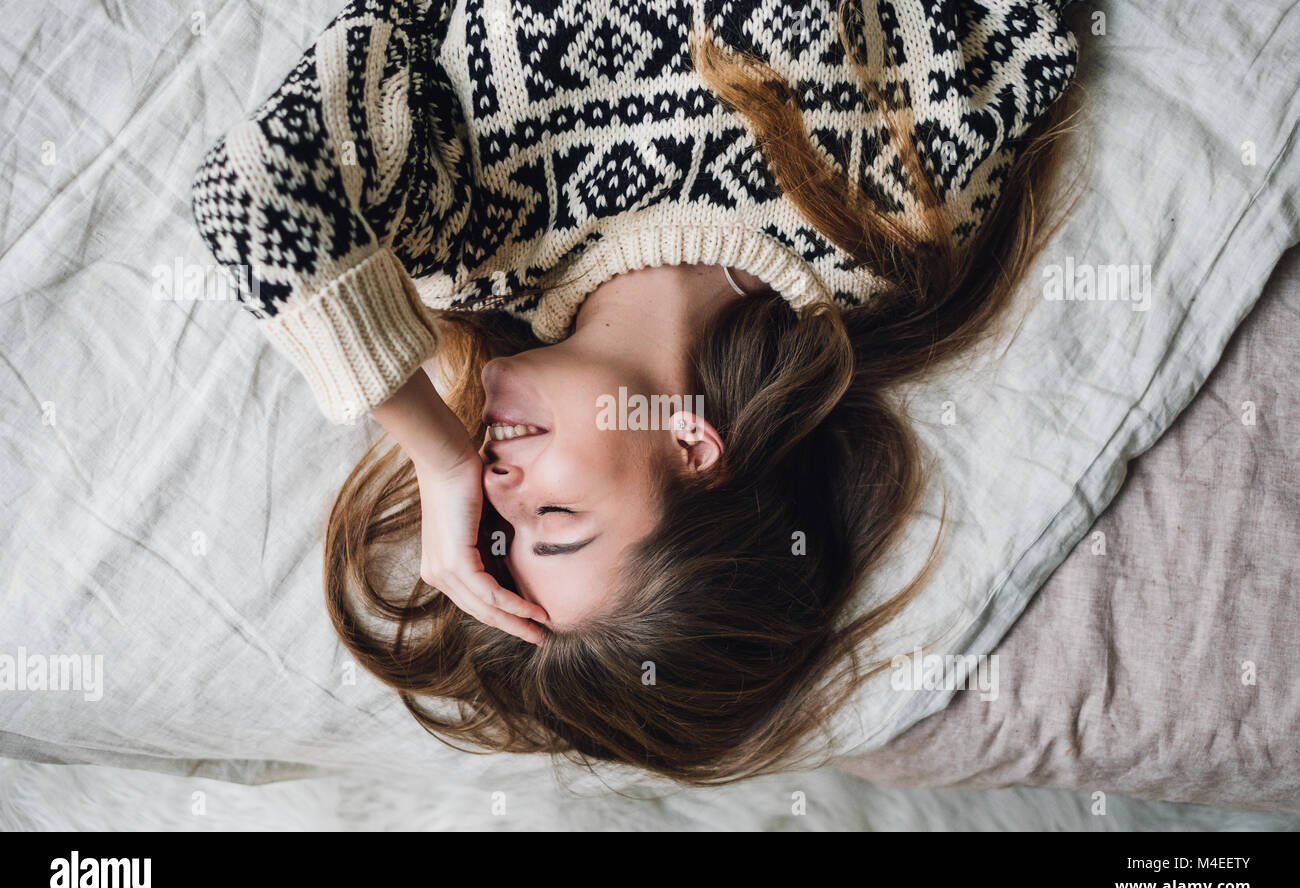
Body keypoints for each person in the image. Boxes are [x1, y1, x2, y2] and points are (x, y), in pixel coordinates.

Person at [191, 0, 1080, 782]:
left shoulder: (462, 237)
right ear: (694, 447)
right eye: (557, 521)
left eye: (497, 525)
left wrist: (436, 454)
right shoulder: (892, 210)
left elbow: (252, 194)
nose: (499, 486)